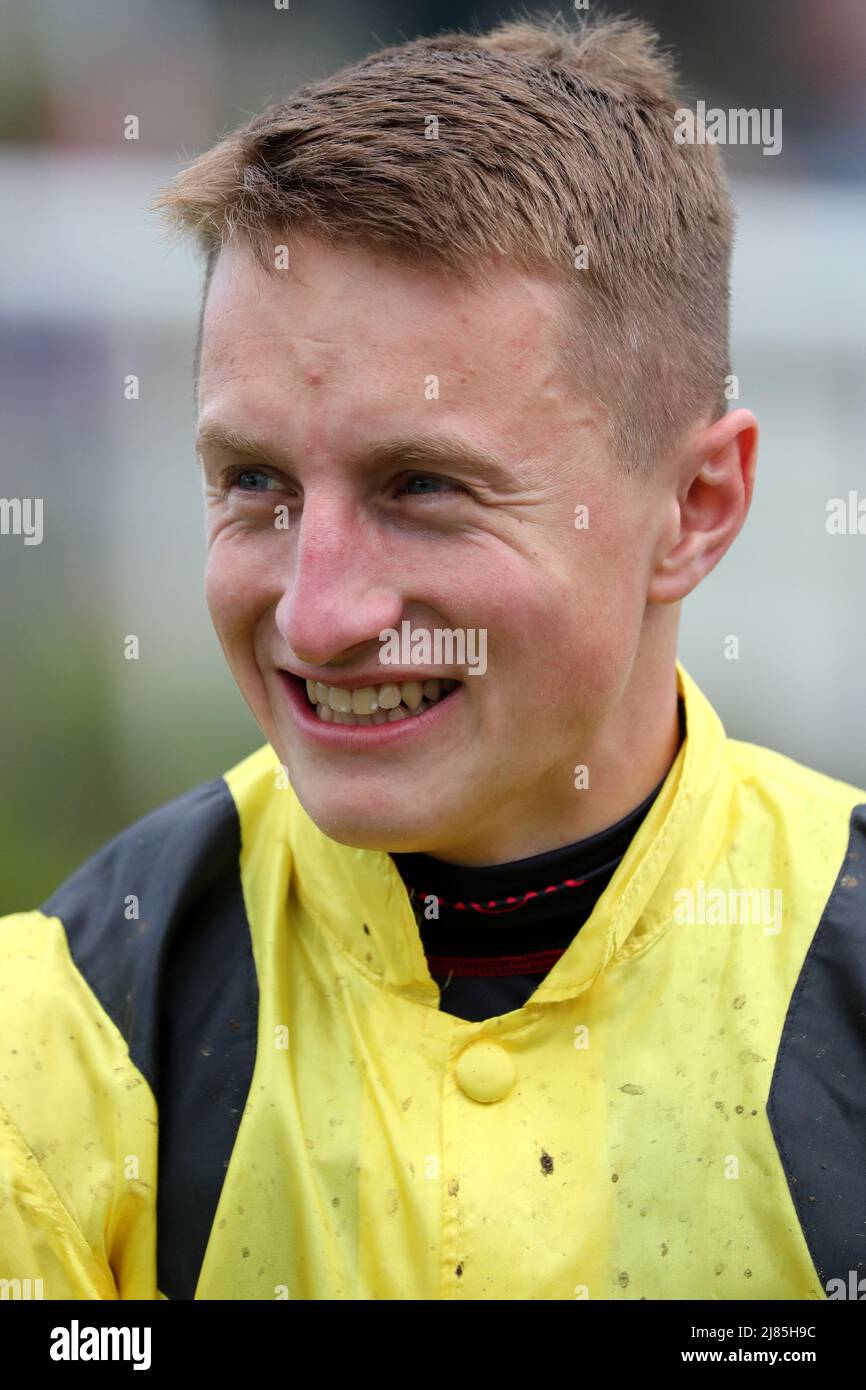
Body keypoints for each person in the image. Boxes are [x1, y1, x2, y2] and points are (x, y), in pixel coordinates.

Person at [1, 13, 863, 1302]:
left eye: (422, 485)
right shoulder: (60, 1039)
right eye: (255, 482)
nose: (318, 612)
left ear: (694, 509)